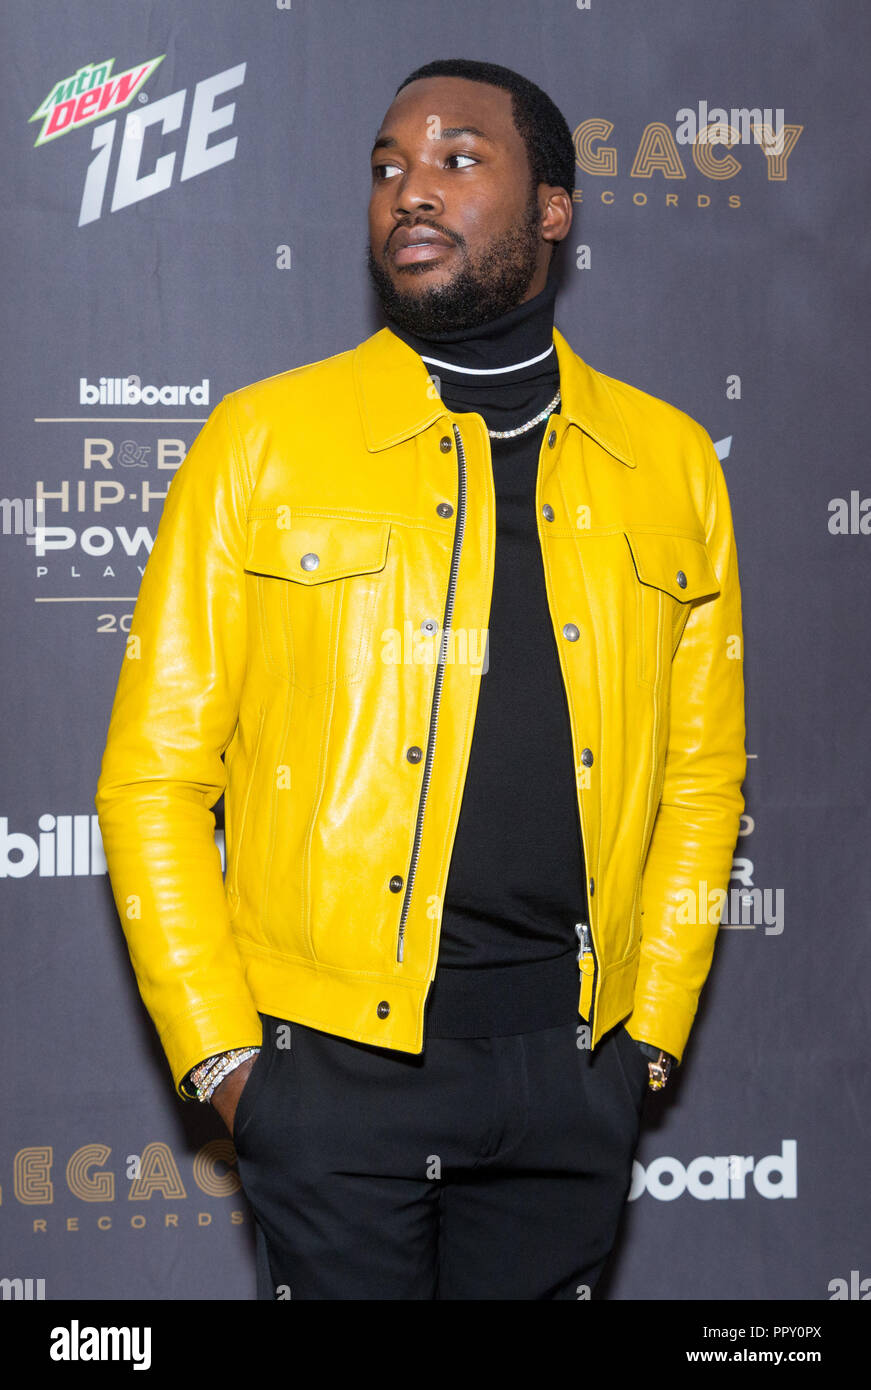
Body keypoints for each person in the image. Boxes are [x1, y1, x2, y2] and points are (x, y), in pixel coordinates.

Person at [95, 57, 746, 1300]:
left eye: (456, 158)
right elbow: (153, 779)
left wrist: (648, 1041)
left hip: (569, 1071)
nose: (409, 191)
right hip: (329, 1075)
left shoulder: (668, 462)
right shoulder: (263, 441)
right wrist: (227, 1061)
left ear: (552, 208)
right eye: (388, 166)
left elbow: (702, 782)